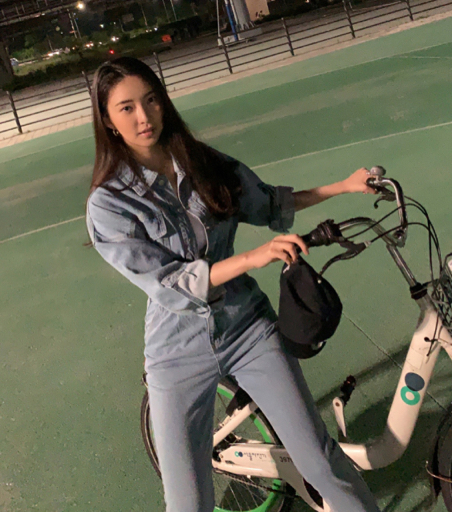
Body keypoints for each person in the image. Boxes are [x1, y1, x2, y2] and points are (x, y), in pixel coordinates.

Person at [86, 56, 380, 512]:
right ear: (108, 120)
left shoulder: (203, 163)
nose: (143, 116)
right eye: (127, 108)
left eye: (151, 100)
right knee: (188, 502)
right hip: (177, 350)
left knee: (321, 461)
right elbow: (170, 282)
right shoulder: (109, 204)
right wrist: (252, 257)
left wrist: (342, 186)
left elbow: (269, 203)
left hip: (249, 330)